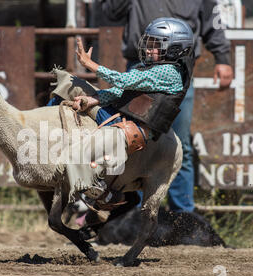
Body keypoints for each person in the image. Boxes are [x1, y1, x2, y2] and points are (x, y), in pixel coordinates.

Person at [100, 0, 234, 213]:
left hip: (178, 71)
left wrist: (223, 58)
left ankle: (182, 216)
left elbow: (212, 21)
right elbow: (110, 12)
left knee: (180, 144)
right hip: (140, 68)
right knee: (132, 140)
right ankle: (132, 215)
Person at [62, 17, 195, 210]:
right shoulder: (153, 67)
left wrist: (90, 65)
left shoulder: (168, 72)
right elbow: (120, 93)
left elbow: (122, 81)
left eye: (155, 45)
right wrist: (93, 100)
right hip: (125, 117)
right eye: (148, 43)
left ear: (174, 49)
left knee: (87, 150)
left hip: (138, 127)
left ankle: (102, 190)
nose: (148, 48)